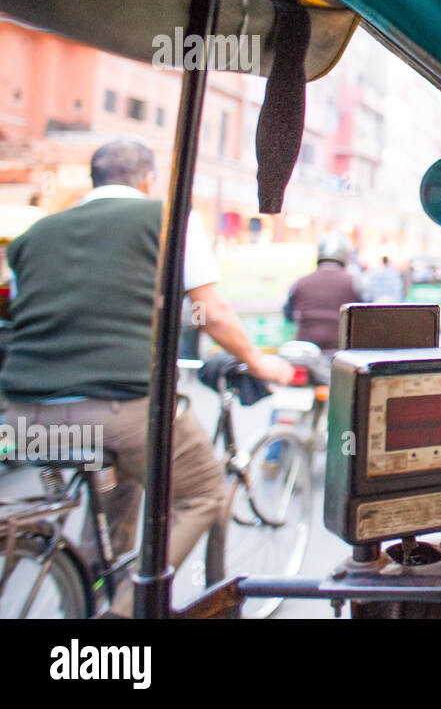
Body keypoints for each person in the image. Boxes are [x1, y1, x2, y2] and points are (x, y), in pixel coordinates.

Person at [0, 140, 293, 613]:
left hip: (21, 419)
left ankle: (90, 590)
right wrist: (260, 362)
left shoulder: (37, 234)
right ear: (147, 180)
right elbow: (210, 311)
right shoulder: (166, 217)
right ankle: (122, 614)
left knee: (113, 490)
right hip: (118, 407)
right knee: (203, 491)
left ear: (93, 179)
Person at [284, 233, 361, 352]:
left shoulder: (300, 282)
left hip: (306, 349)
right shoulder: (355, 282)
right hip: (341, 350)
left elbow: (288, 314)